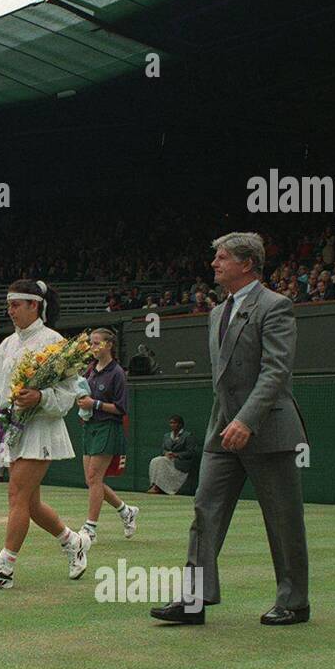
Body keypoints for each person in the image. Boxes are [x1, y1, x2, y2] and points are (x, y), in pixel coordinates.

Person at [151, 232, 310, 626]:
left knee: (282, 517)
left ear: (247, 264)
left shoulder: (276, 306)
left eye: (222, 258)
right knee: (205, 511)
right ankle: (193, 600)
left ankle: (295, 602)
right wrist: (230, 420)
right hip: (222, 428)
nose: (214, 263)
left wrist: (246, 420)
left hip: (267, 429)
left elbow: (276, 371)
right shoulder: (216, 312)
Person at [0, 279, 90, 589]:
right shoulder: (8, 344)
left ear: (34, 305)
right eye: (9, 305)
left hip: (43, 431)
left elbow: (67, 394)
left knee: (16, 496)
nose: (10, 311)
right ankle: (73, 541)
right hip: (15, 431)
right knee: (30, 504)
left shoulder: (54, 342)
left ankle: (4, 569)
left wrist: (41, 398)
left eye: (15, 305)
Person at [77, 328, 139, 543]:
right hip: (89, 427)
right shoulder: (90, 370)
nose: (92, 347)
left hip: (108, 428)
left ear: (109, 345)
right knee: (91, 480)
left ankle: (90, 529)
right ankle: (125, 511)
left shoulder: (117, 373)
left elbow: (121, 408)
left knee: (94, 478)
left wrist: (94, 404)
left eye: (96, 343)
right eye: (91, 344)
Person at [148, 415, 198, 495]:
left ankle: (158, 487)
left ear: (180, 424)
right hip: (167, 459)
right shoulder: (166, 436)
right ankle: (155, 485)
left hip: (181, 462)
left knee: (161, 461)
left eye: (174, 423)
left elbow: (191, 452)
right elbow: (163, 450)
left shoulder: (188, 436)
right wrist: (166, 453)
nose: (172, 425)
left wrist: (176, 455)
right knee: (155, 461)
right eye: (171, 423)